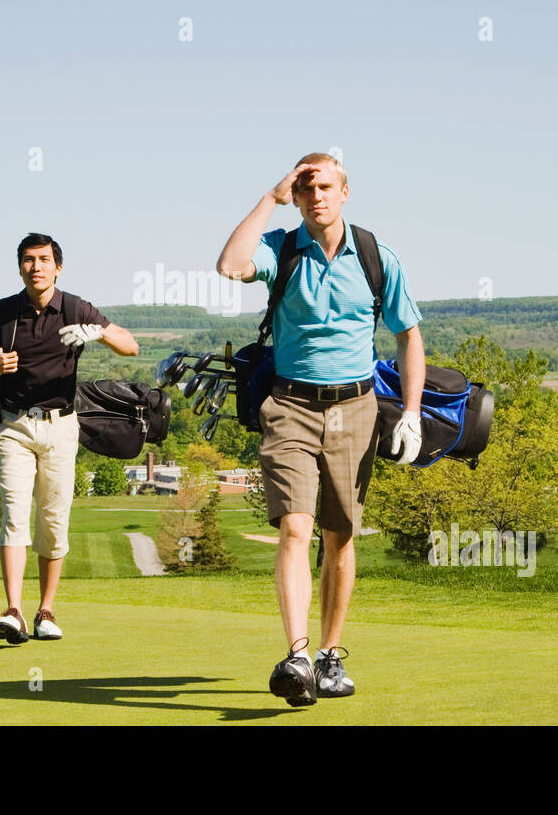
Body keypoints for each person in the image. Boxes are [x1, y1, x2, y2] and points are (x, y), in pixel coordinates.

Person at [215, 153, 426, 706]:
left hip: (355, 408)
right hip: (289, 405)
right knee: (294, 526)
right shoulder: (283, 248)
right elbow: (230, 265)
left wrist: (409, 411)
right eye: (306, 189)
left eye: (325, 187)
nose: (316, 197)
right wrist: (270, 197)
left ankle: (331, 656)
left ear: (345, 191)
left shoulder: (377, 257)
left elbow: (408, 336)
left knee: (340, 536)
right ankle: (298, 655)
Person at [0, 232, 139, 644]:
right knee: (14, 517)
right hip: (13, 426)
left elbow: (131, 346)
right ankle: (13, 611)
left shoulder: (75, 308)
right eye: (29, 260)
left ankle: (46, 610)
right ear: (20, 267)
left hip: (61, 426)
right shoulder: (5, 312)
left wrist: (97, 333)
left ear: (58, 267)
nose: (36, 267)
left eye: (44, 260)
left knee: (52, 521)